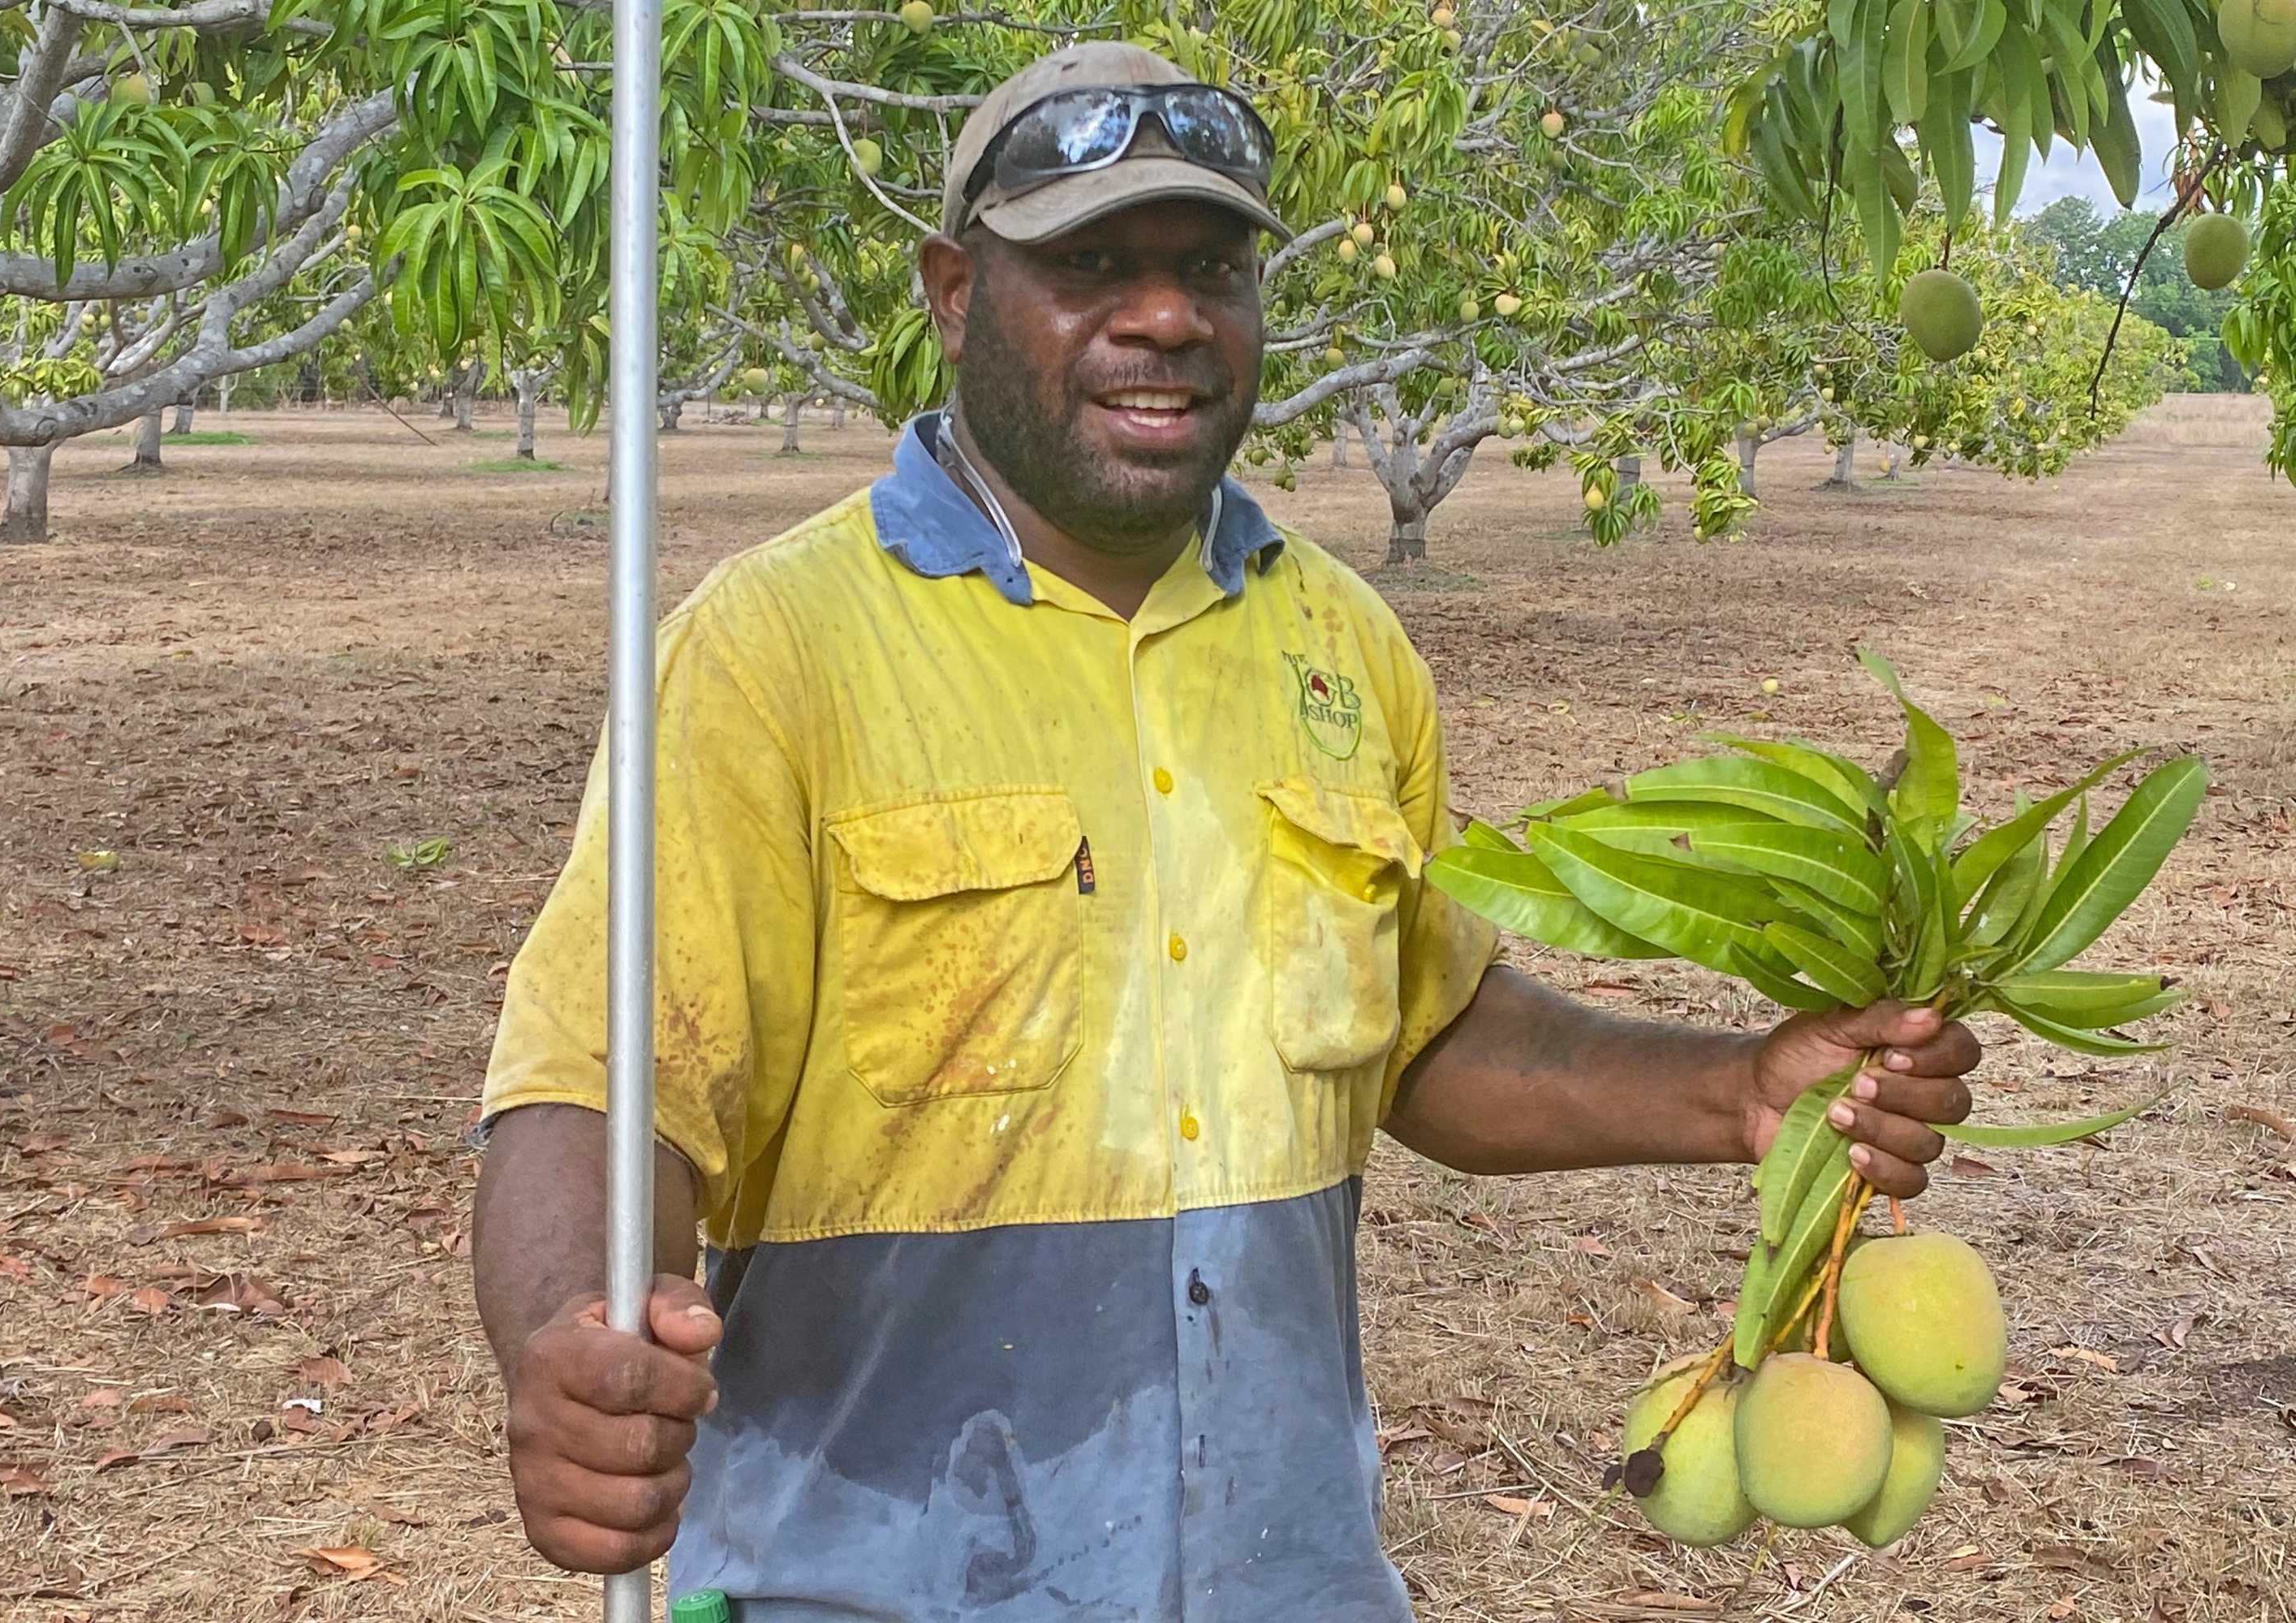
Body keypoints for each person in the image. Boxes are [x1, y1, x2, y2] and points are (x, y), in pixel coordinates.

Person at [470, 41, 1980, 1622]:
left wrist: (1736, 1090)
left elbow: (1421, 1031)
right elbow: (598, 1082)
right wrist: (575, 1333)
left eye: (1211, 267)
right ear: (952, 289)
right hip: (870, 1587)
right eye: (1089, 264)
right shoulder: (775, 651)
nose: (1168, 316)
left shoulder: (1343, 647)